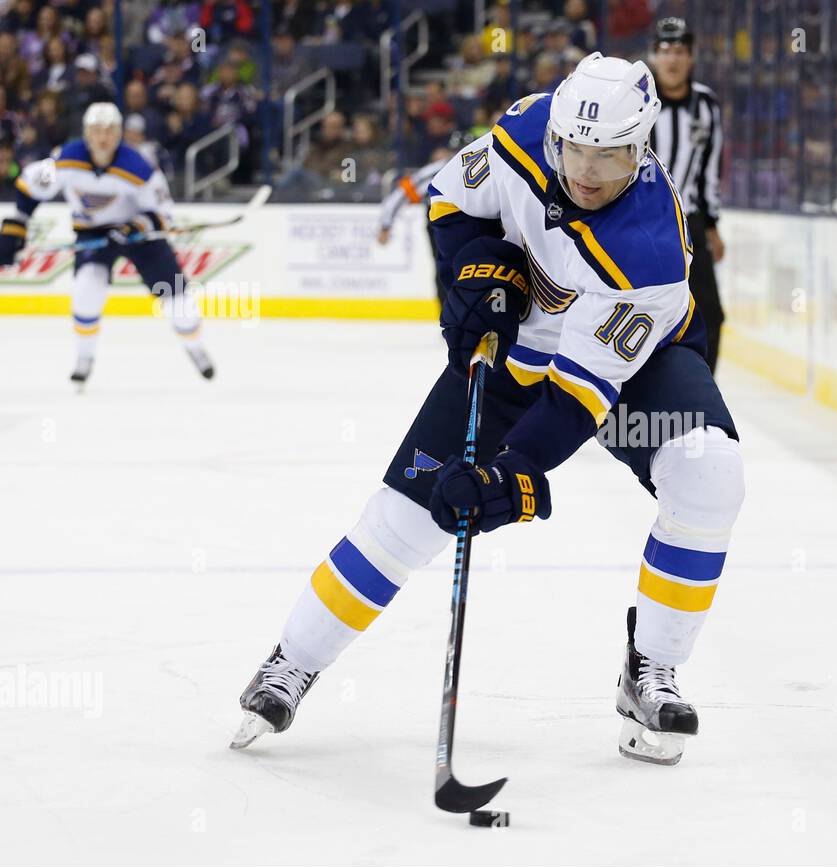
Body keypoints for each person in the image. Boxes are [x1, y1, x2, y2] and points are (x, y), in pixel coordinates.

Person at [232, 52, 745, 768]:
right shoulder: (522, 132)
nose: (589, 171)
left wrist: (514, 470)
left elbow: (575, 396)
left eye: (613, 155)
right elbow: (447, 207)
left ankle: (650, 670)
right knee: (405, 519)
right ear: (557, 133)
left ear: (644, 147)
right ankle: (292, 660)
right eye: (577, 149)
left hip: (635, 368)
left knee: (708, 471)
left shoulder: (650, 252)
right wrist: (476, 274)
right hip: (512, 356)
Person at [0, 102, 215, 385]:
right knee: (87, 290)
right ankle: (84, 357)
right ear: (87, 133)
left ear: (119, 133)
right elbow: (29, 189)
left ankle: (195, 348)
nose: (103, 137)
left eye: (110, 130)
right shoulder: (65, 159)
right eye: (97, 130)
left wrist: (135, 227)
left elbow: (163, 213)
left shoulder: (138, 167)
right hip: (93, 233)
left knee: (178, 299)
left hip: (140, 236)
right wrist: (16, 226)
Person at [647, 17, 726, 372]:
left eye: (679, 51)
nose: (672, 59)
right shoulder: (639, 102)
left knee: (710, 312)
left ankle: (701, 390)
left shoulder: (706, 105)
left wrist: (711, 227)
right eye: (664, 51)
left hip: (688, 221)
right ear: (653, 57)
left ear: (691, 58)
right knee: (642, 306)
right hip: (642, 219)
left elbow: (709, 169)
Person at [376, 145, 453, 302]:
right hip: (442, 222)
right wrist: (385, 224)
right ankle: (449, 313)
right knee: (446, 268)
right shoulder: (438, 169)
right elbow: (402, 194)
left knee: (450, 267)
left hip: (451, 221)